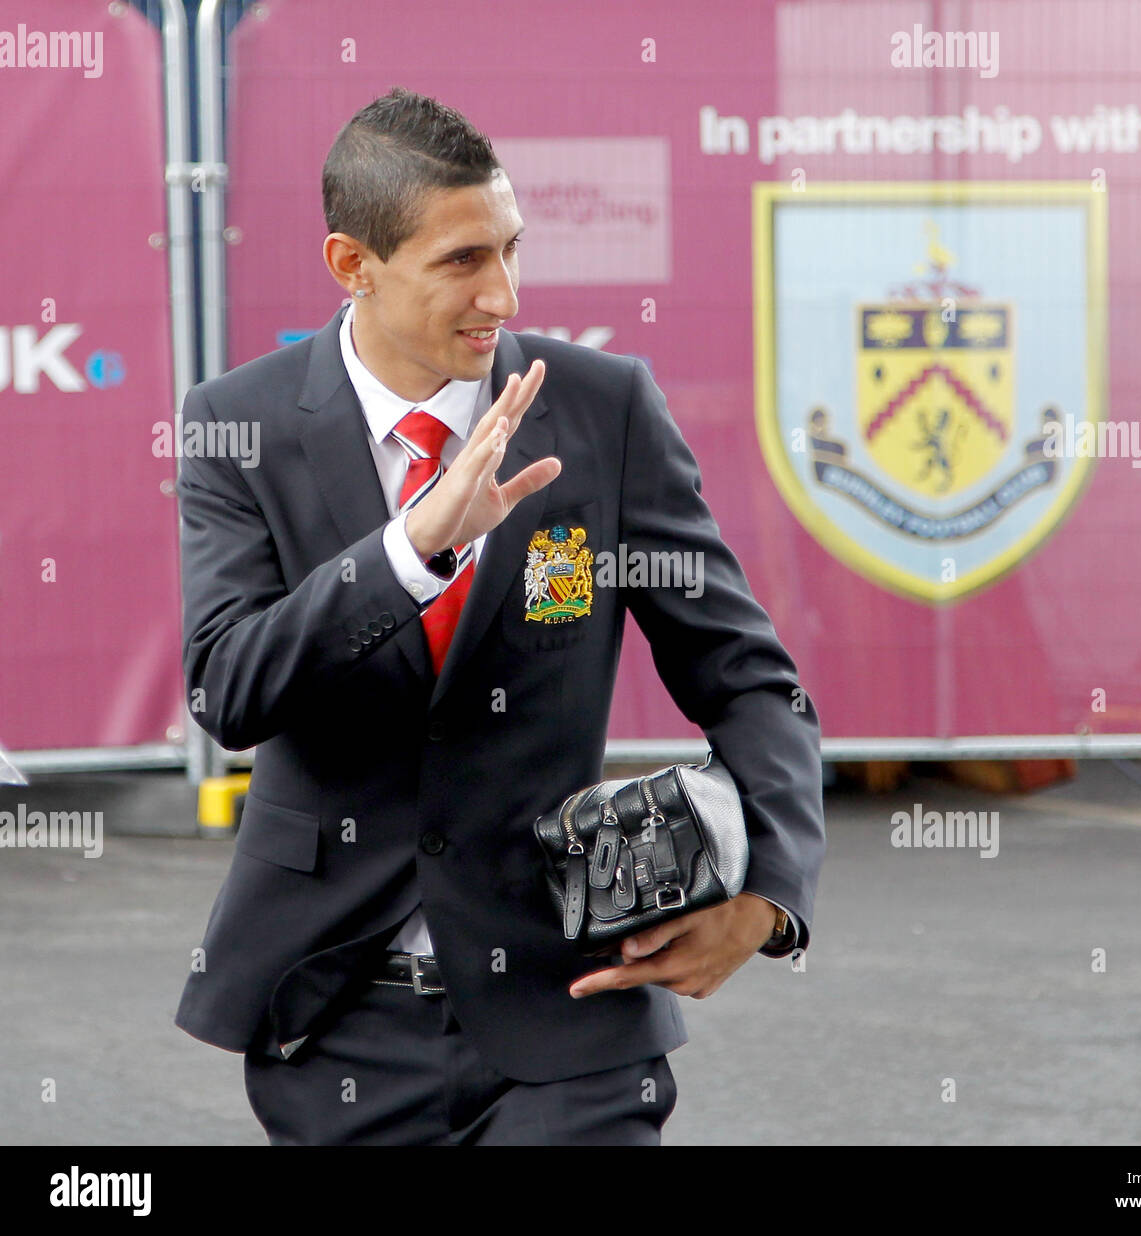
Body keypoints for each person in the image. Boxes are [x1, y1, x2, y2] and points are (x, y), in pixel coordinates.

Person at [175, 87, 825, 1146]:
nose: (506, 292)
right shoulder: (233, 424)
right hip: (334, 1025)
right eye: (463, 261)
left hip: (570, 1014)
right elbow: (229, 690)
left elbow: (750, 678)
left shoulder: (603, 407)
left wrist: (771, 894)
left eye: (513, 249)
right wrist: (410, 549)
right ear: (352, 265)